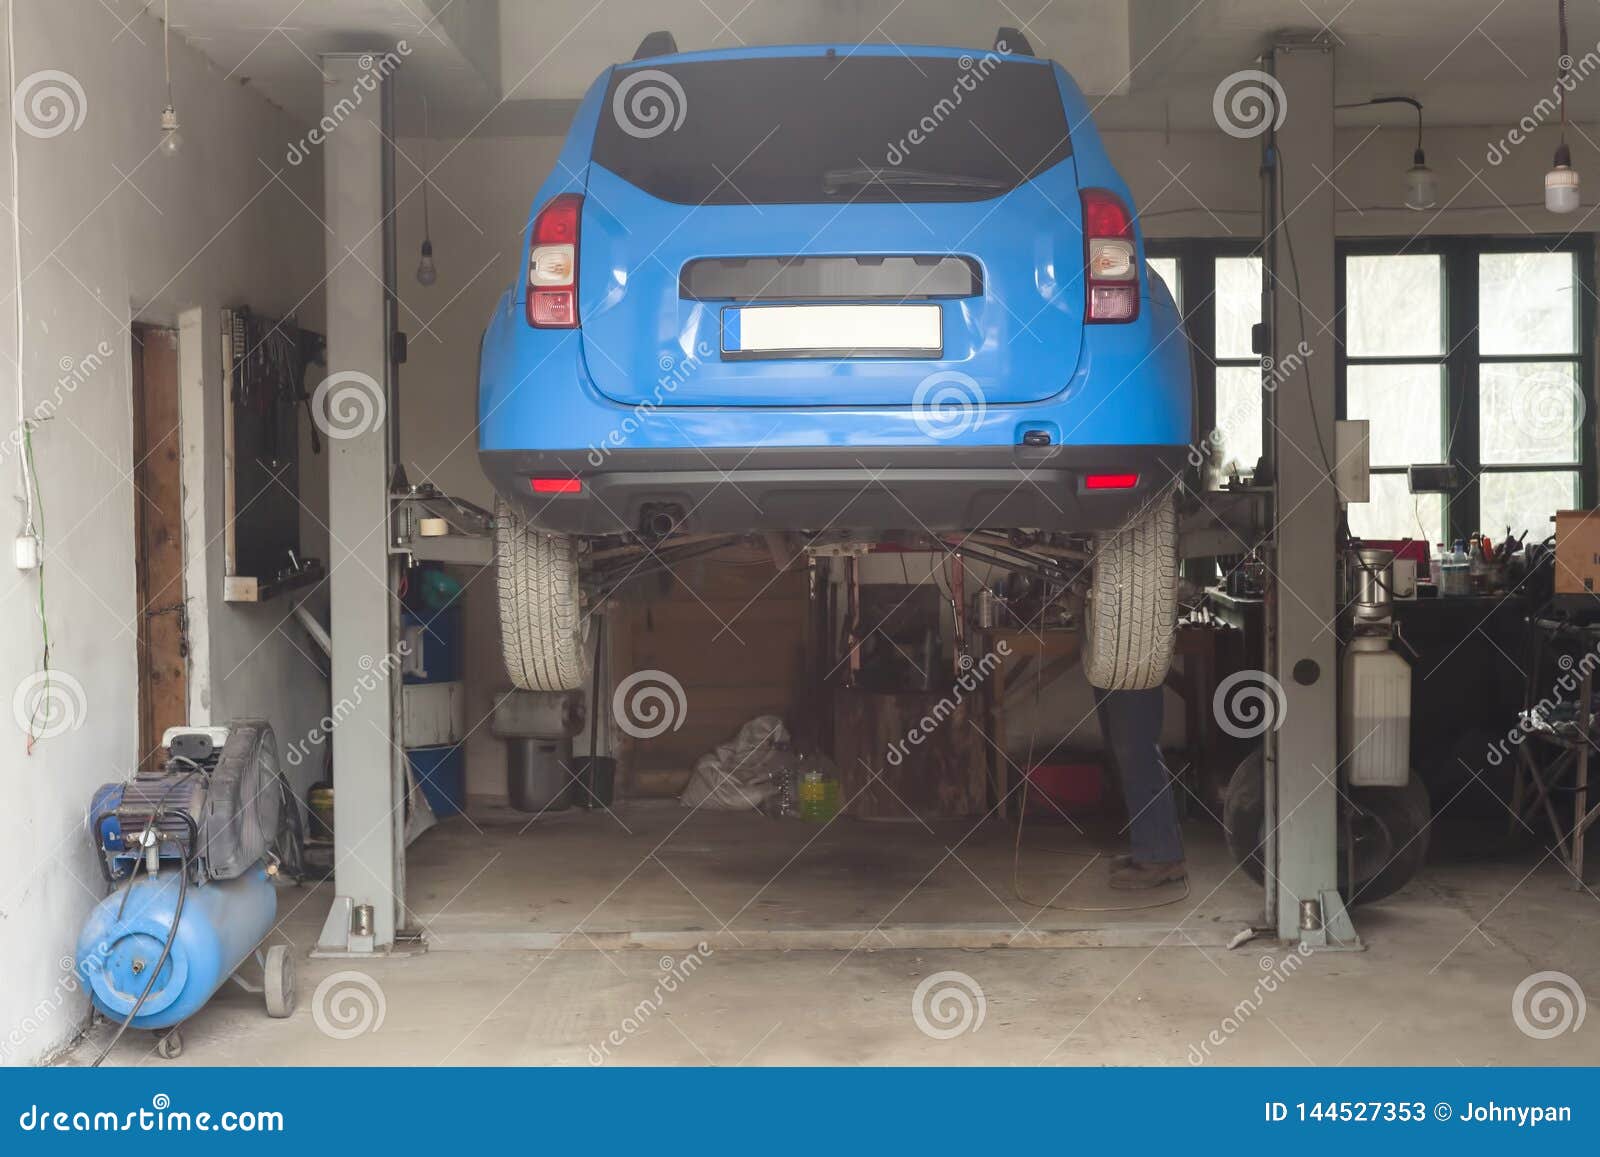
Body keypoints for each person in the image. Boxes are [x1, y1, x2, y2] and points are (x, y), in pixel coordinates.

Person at [1094, 686, 1186, 889]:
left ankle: (1159, 857)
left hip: (1133, 658)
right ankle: (1155, 849)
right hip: (1115, 658)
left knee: (1135, 747)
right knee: (1123, 743)